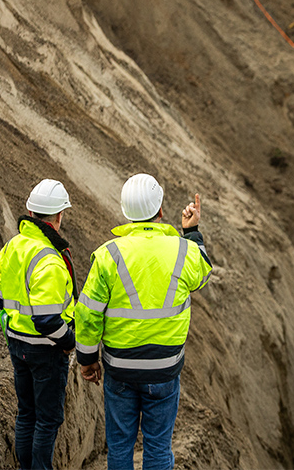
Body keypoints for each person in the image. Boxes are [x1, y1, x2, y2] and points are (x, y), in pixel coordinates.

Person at [74, 173, 212, 470]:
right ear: (160, 210)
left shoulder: (108, 255)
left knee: (120, 446)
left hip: (120, 368)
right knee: (158, 449)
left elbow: (88, 314)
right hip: (164, 369)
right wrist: (193, 232)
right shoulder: (182, 249)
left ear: (126, 214)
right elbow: (202, 273)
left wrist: (87, 359)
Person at [0, 179, 77, 470]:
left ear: (30, 213)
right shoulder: (50, 260)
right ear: (58, 216)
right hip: (46, 350)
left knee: (26, 413)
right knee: (47, 419)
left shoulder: (11, 247)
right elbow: (46, 320)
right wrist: (69, 342)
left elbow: (4, 299)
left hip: (17, 343)